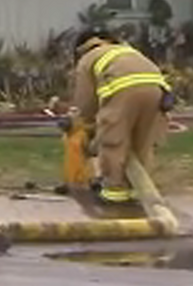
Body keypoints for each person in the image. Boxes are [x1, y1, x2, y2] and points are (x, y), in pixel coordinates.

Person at [69, 26, 170, 205]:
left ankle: (114, 191)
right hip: (156, 90)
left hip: (123, 92)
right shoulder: (125, 50)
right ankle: (138, 189)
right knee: (142, 142)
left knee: (113, 141)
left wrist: (82, 122)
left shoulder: (87, 58)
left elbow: (86, 101)